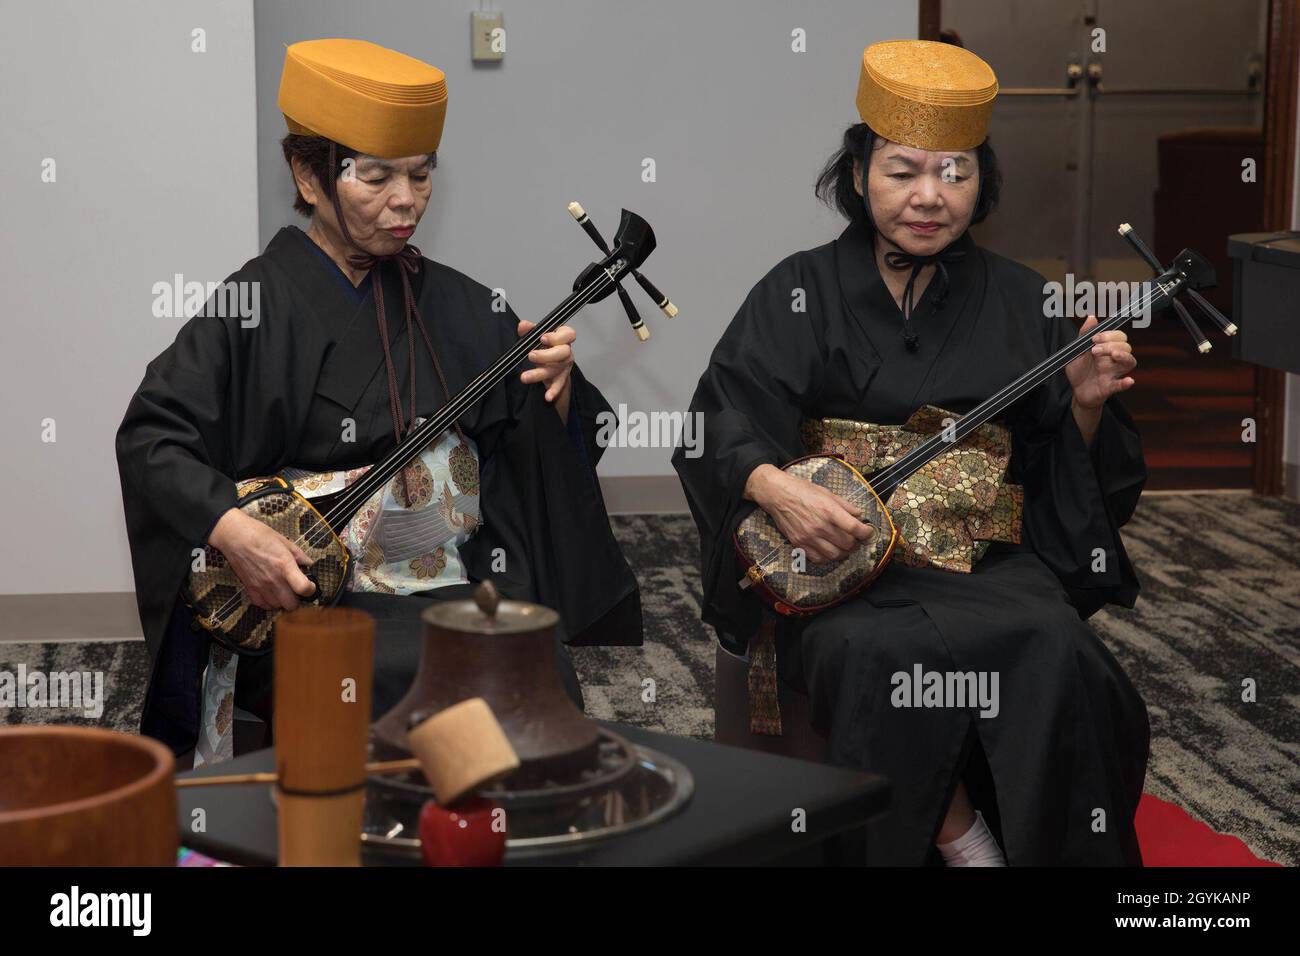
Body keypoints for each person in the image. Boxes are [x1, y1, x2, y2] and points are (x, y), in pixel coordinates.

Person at [673, 39, 1150, 866]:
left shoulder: (1023, 298)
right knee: (878, 657)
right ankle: (965, 842)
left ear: (981, 181)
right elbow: (717, 418)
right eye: (903, 171)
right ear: (858, 176)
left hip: (982, 564)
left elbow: (1058, 464)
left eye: (955, 173)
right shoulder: (801, 288)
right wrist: (774, 487)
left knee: (1064, 654)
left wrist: (1083, 403)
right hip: (842, 566)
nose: (930, 197)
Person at [117, 38, 641, 767]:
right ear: (308, 174)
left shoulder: (461, 302)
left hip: (448, 579)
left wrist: (556, 394)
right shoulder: (254, 303)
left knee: (531, 663)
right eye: (376, 177)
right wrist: (235, 532)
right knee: (386, 674)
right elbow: (151, 437)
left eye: (421, 176)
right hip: (305, 599)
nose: (406, 202)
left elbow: (550, 442)